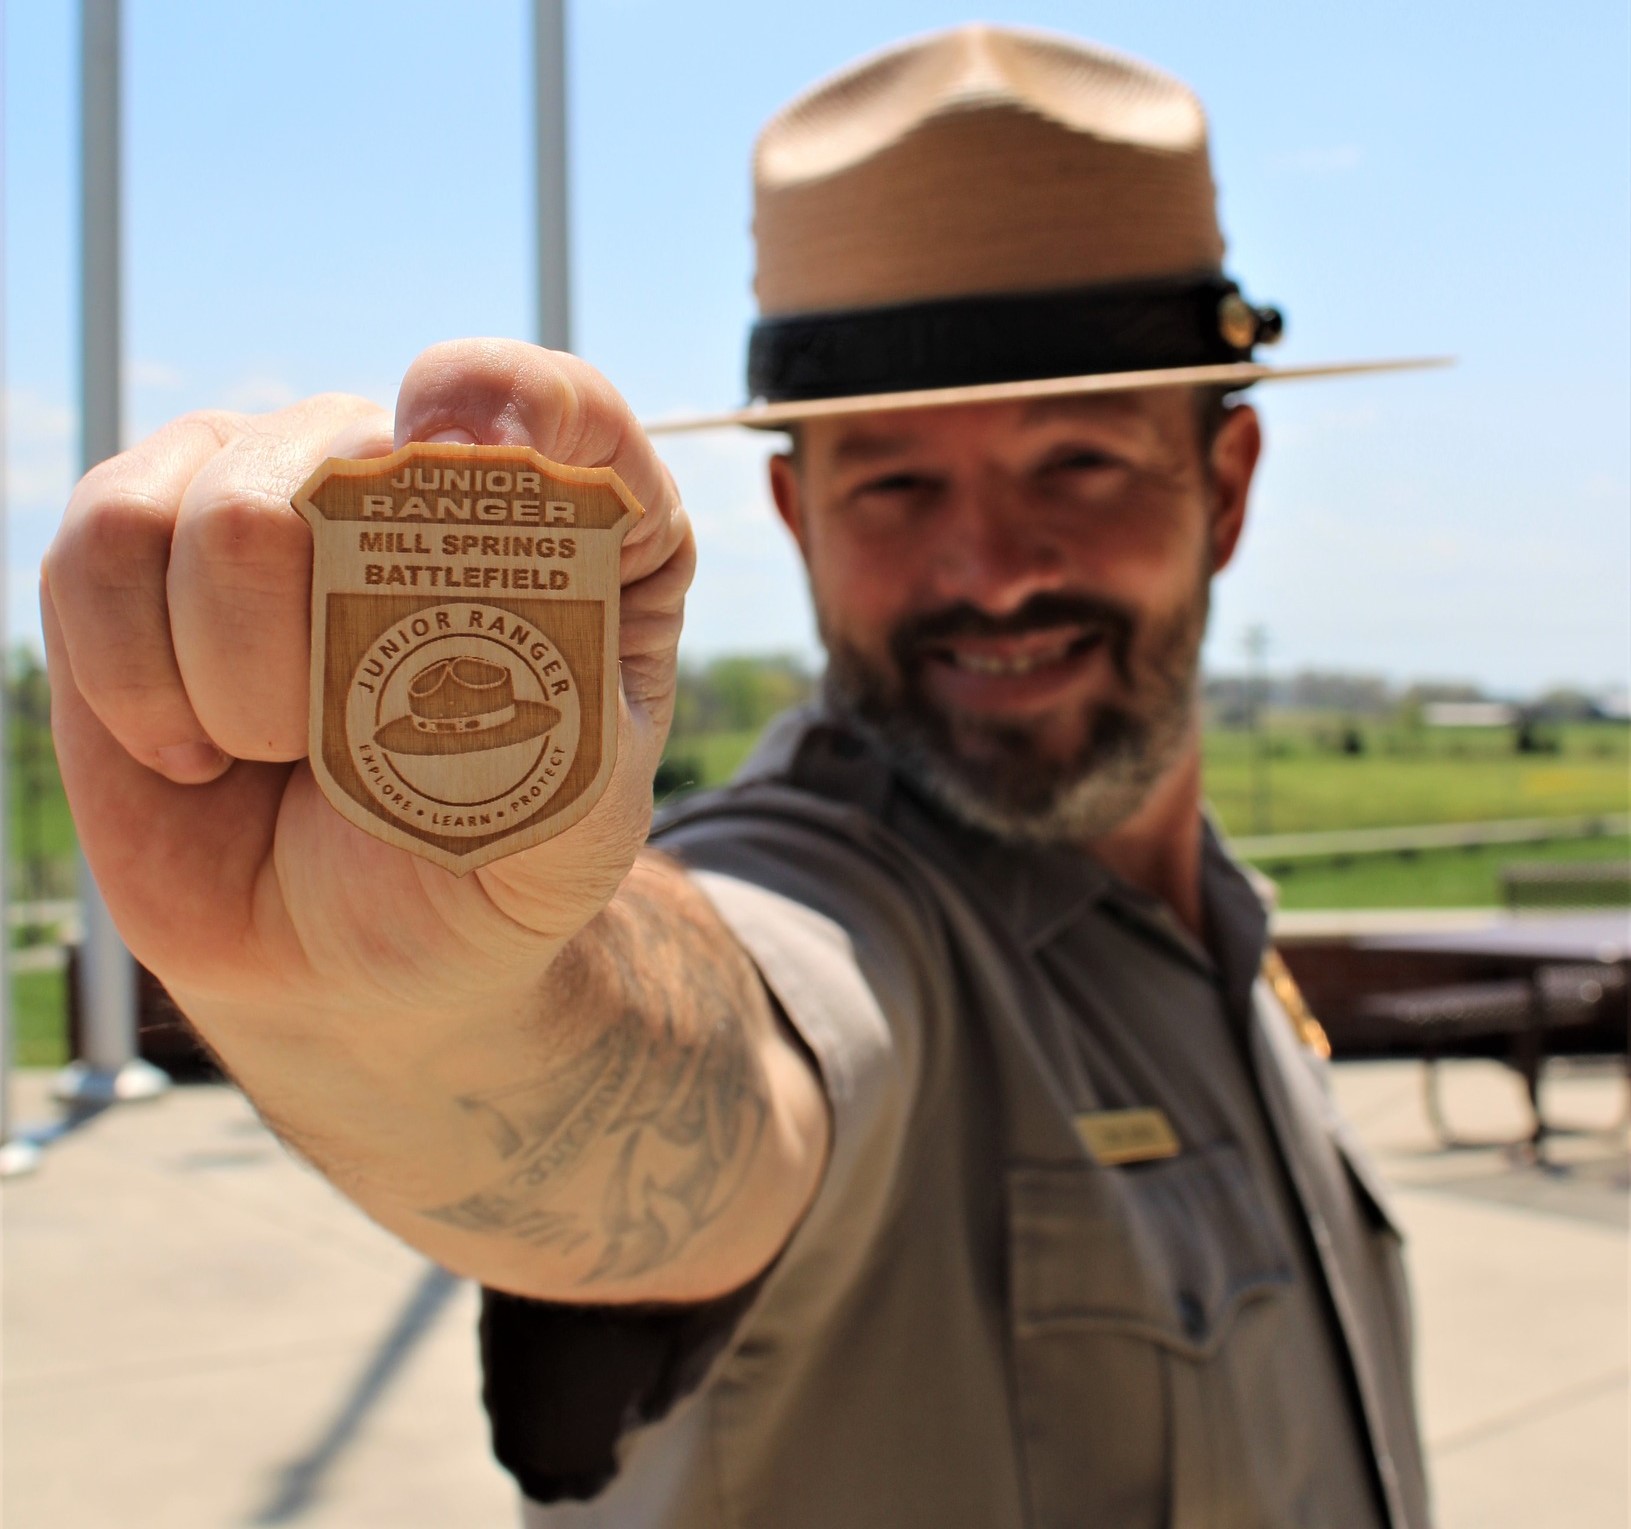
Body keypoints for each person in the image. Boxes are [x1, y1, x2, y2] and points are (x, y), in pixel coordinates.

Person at [43, 25, 1432, 1529]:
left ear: (1224, 488)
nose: (989, 568)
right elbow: (723, 1053)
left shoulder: (1227, 944)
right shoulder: (840, 897)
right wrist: (429, 1006)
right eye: (895, 480)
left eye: (1078, 463)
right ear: (796, 513)